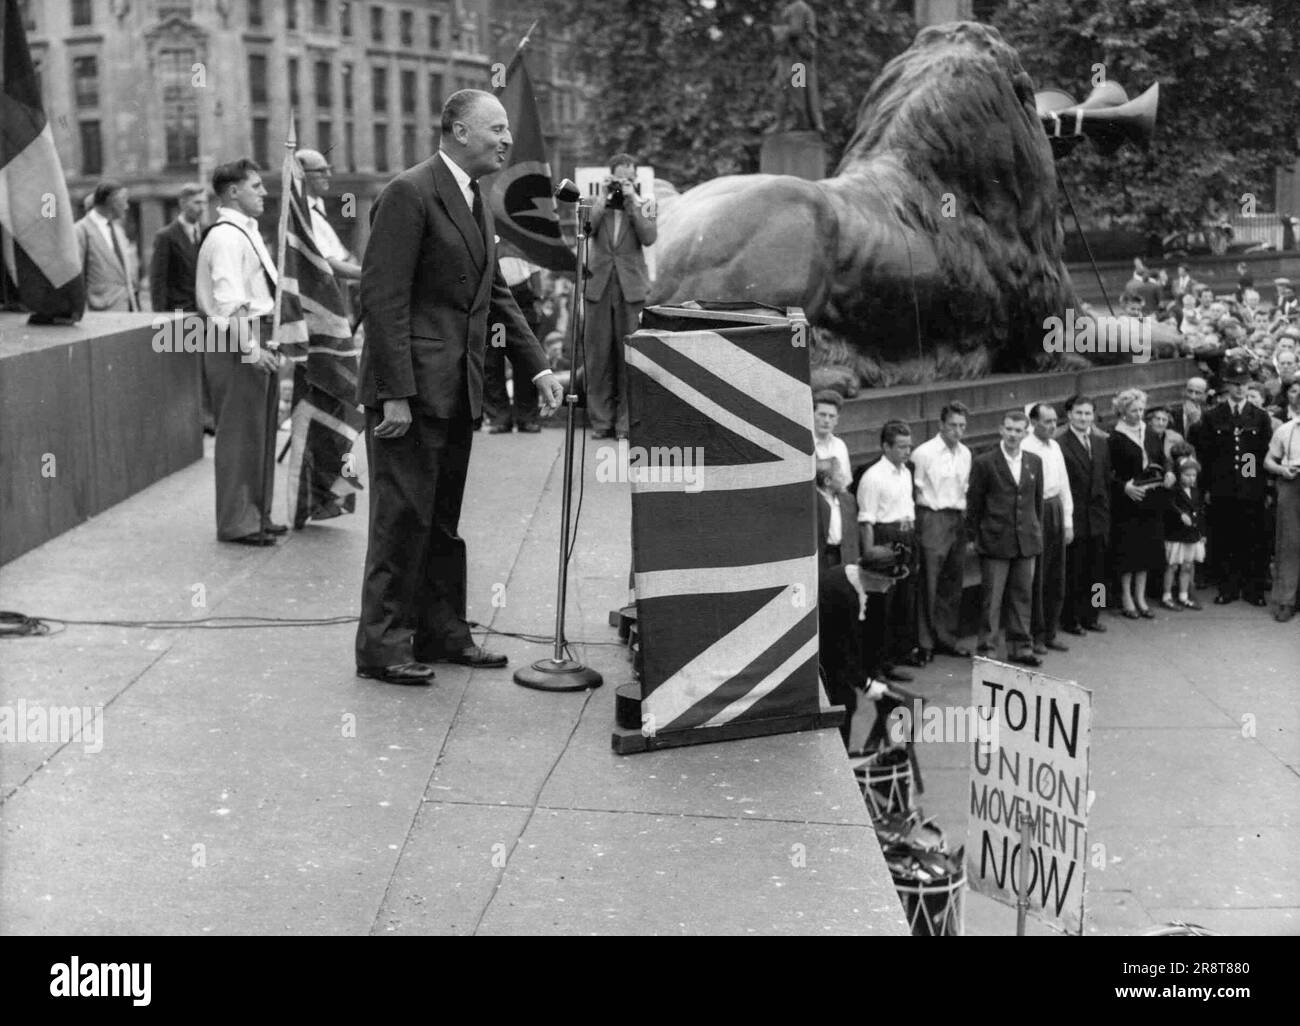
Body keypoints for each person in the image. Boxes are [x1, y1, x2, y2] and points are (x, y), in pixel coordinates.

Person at [354, 90, 564, 686]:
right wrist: (393, 391)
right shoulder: (408, 192)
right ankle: (382, 646)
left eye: (507, 130)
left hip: (455, 390)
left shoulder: (475, 199)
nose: (506, 140)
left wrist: (538, 368)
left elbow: (494, 295)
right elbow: (383, 295)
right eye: (495, 128)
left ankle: (442, 632)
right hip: (410, 394)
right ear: (457, 130)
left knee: (440, 520)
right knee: (400, 520)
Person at [195, 158, 283, 545]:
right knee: (239, 434)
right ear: (233, 191)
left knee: (260, 432)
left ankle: (256, 514)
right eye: (257, 186)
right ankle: (237, 522)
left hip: (254, 335)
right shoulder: (227, 237)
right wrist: (251, 350)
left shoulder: (246, 232)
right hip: (237, 341)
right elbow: (228, 302)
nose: (264, 193)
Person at [583, 152, 657, 439]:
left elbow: (649, 236)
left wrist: (630, 201)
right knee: (598, 357)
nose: (624, 183)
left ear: (636, 179)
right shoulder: (593, 202)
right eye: (619, 178)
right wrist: (605, 195)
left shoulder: (647, 204)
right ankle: (601, 423)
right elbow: (586, 228)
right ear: (609, 176)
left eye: (629, 178)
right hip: (599, 287)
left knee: (630, 356)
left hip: (631, 289)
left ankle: (627, 424)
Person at [1191, 356, 1274, 606]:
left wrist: (1264, 488)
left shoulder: (1259, 416)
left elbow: (1261, 453)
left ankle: (1253, 589)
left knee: (1253, 539)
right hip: (1222, 487)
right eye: (1235, 384)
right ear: (1227, 385)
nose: (1240, 388)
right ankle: (1228, 587)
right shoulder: (1212, 415)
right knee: (1225, 538)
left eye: (1244, 384)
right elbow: (1206, 454)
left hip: (1251, 488)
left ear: (1249, 386)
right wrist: (1205, 488)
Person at [966, 410, 1044, 667]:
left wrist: (1035, 532)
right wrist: (975, 537)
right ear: (1001, 429)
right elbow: (975, 503)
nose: (1012, 435)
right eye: (1008, 429)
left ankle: (1021, 646)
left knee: (1023, 595)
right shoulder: (985, 462)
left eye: (1018, 430)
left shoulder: (1034, 461)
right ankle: (986, 650)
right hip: (995, 540)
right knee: (992, 599)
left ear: (1025, 433)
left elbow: (1036, 502)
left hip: (1026, 540)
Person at [909, 401, 972, 662]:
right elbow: (914, 489)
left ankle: (946, 638)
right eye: (952, 426)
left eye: (962, 426)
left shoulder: (966, 453)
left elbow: (964, 488)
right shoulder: (924, 453)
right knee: (929, 583)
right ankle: (924, 643)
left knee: (952, 581)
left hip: (957, 518)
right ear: (941, 425)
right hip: (931, 517)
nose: (957, 431)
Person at [856, 420, 918, 681]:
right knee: (883, 604)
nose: (907, 451)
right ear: (886, 446)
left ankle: (893, 658)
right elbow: (866, 521)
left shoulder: (906, 471)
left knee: (902, 600)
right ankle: (875, 666)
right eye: (902, 447)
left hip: (906, 535)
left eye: (909, 446)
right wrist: (871, 556)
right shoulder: (873, 477)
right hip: (885, 537)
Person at [149, 183, 210, 431]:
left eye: (204, 203)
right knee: (180, 372)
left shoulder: (206, 233)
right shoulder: (166, 236)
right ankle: (182, 423)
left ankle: (203, 420)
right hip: (177, 314)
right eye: (197, 203)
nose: (202, 208)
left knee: (202, 370)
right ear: (183, 204)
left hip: (202, 314)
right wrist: (162, 318)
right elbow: (158, 281)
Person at [1108, 388, 1173, 620]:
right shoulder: (1115, 436)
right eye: (1133, 410)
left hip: (1151, 499)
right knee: (1129, 551)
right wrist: (1124, 486)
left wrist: (1168, 473)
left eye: (1141, 409)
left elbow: (1161, 459)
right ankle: (1126, 597)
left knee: (1146, 550)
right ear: (1123, 411)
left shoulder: (1150, 432)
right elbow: (1108, 472)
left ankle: (1141, 597)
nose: (1138, 414)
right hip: (1128, 500)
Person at [1022, 403, 1074, 655]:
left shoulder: (1055, 447)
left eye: (1055, 421)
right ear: (1033, 423)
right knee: (1037, 578)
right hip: (1036, 510)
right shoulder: (1025, 448)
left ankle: (1051, 631)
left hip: (1055, 509)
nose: (1053, 426)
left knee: (1056, 575)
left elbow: (1064, 485)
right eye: (1047, 421)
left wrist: (1067, 522)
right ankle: (1036, 634)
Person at [1058, 394, 1111, 636]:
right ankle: (1072, 619)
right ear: (1069, 415)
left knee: (1097, 572)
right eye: (1078, 413)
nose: (1083, 418)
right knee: (1075, 572)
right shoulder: (1061, 442)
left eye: (1088, 413)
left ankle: (1093, 615)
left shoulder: (1100, 442)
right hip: (1075, 517)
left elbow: (1104, 479)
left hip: (1098, 518)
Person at [484, 249, 543, 434]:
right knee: (495, 356)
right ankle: (500, 417)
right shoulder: (490, 229)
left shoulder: (520, 229)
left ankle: (526, 417)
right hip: (496, 300)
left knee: (525, 357)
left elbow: (535, 269)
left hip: (521, 298)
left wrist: (538, 299)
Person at [1264, 378, 1300, 621]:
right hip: (1292, 482)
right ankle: (1286, 600)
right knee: (1289, 543)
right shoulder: (1285, 430)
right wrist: (1282, 471)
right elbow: (1266, 461)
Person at [74, 179, 139, 311]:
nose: (126, 207)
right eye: (124, 201)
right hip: (99, 312)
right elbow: (76, 278)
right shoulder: (80, 230)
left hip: (128, 310)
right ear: (111, 201)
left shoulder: (118, 230)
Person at [1161, 457, 1206, 611]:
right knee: (1172, 565)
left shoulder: (1196, 491)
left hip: (1191, 534)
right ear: (1179, 474)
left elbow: (1200, 512)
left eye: (1193, 475)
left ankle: (1183, 595)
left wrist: (1202, 532)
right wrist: (1180, 514)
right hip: (1176, 533)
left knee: (1187, 565)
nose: (1191, 478)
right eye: (1187, 475)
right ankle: (1166, 596)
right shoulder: (1174, 491)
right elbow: (1169, 506)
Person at [813, 390, 852, 484]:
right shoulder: (805, 445)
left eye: (831, 416)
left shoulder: (840, 445)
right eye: (822, 415)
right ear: (812, 415)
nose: (826, 420)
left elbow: (846, 482)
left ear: (837, 420)